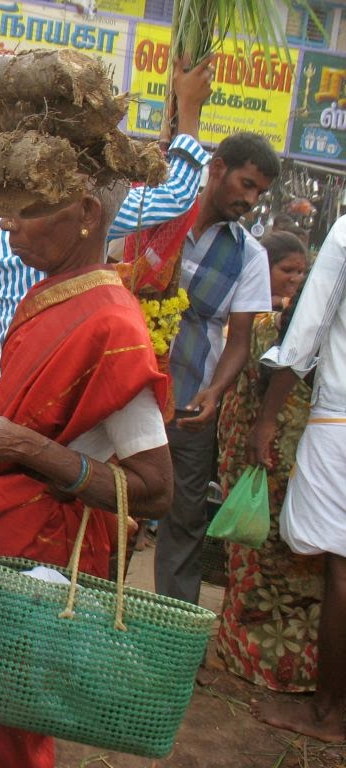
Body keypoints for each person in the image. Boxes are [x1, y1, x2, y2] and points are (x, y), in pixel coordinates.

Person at [0, 181, 174, 768]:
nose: (9, 222)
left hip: (39, 556)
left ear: (87, 214)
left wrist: (17, 441)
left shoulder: (114, 326)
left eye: (30, 206)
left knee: (1, 721)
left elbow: (156, 489)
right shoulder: (51, 295)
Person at [0, 56, 214, 379]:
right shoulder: (74, 209)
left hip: (4, 393)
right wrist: (190, 110)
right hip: (50, 397)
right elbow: (175, 194)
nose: (10, 223)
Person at [154, 132, 280, 606]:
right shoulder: (160, 215)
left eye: (259, 193)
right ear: (217, 168)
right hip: (127, 391)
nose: (250, 200)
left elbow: (240, 340)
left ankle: (172, 634)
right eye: (246, 184)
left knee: (183, 519)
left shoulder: (250, 255)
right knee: (110, 504)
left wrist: (216, 392)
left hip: (190, 403)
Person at [246, 214, 346, 743]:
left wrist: (267, 419)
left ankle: (328, 714)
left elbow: (306, 332)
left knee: (343, 573)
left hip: (340, 421)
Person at [215, 231, 318, 692]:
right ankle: (291, 665)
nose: (294, 279)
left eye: (301, 272)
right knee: (271, 553)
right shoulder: (273, 326)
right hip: (280, 454)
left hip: (265, 454)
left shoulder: (265, 328)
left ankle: (254, 658)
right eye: (286, 270)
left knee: (259, 553)